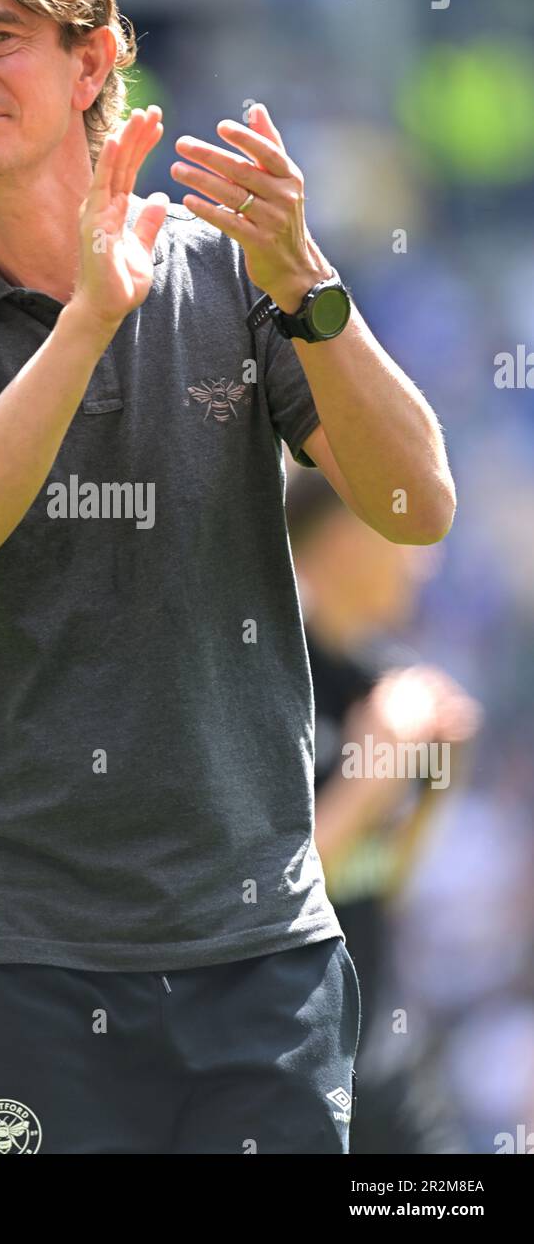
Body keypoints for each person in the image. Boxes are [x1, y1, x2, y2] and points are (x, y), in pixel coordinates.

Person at [0, 0, 457, 1154]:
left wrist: (308, 284)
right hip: (7, 952)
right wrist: (88, 318)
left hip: (260, 947)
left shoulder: (234, 280)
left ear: (92, 59)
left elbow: (410, 503)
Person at [286, 468, 482, 1153]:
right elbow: (265, 892)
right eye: (407, 536)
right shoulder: (269, 683)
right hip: (286, 1072)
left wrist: (438, 788)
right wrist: (378, 765)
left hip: (386, 1061)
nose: (426, 561)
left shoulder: (390, 685)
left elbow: (377, 882)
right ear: (343, 536)